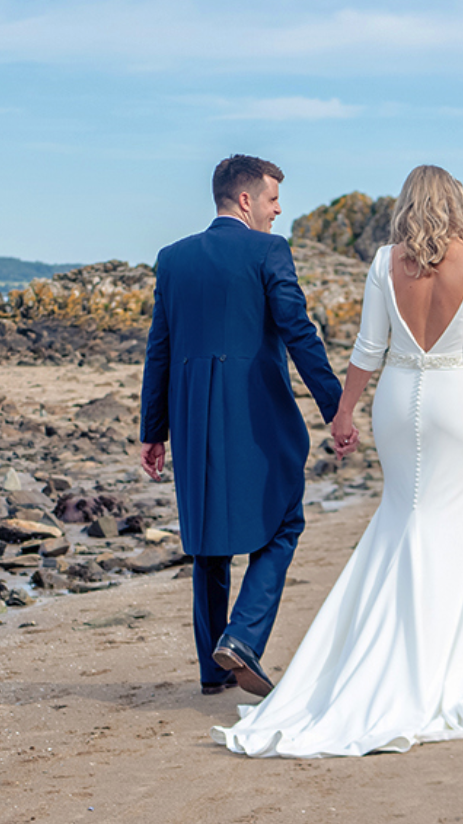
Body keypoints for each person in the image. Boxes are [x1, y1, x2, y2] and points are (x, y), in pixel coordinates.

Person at [212, 164, 463, 758]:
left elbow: (368, 349)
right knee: (449, 526)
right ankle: (447, 669)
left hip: (397, 400)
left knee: (402, 518)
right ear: (457, 203)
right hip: (456, 406)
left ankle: (382, 657)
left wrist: (344, 411)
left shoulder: (386, 262)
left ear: (408, 204)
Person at [139, 155, 344, 697]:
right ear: (247, 199)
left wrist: (152, 429)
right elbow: (299, 331)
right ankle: (243, 636)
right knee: (284, 522)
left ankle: (214, 672)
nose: (279, 210)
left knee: (209, 544)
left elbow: (159, 348)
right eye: (273, 199)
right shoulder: (268, 250)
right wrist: (336, 407)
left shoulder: (173, 259)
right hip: (256, 413)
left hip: (190, 417)